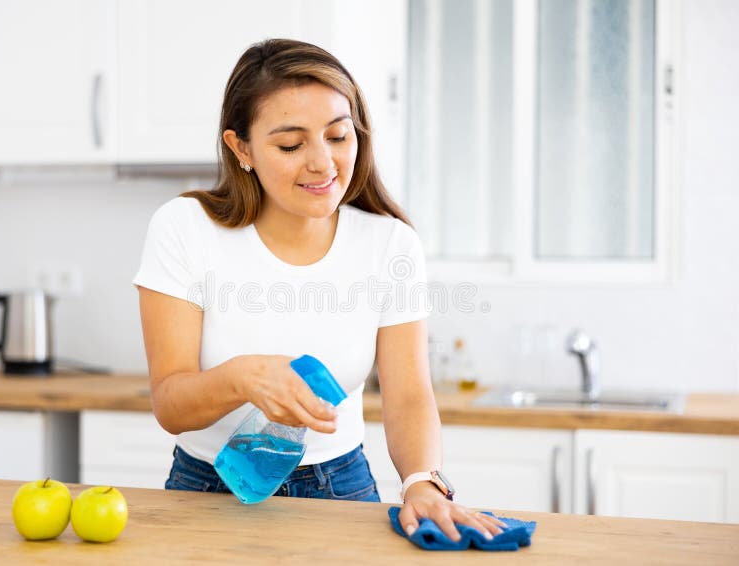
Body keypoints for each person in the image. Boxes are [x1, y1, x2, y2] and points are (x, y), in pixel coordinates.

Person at [133, 38, 504, 542]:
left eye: (337, 136)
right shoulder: (185, 228)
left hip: (340, 489)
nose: (322, 163)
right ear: (241, 148)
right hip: (208, 488)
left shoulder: (389, 243)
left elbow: (409, 392)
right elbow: (171, 406)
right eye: (291, 145)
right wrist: (245, 377)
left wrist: (423, 481)